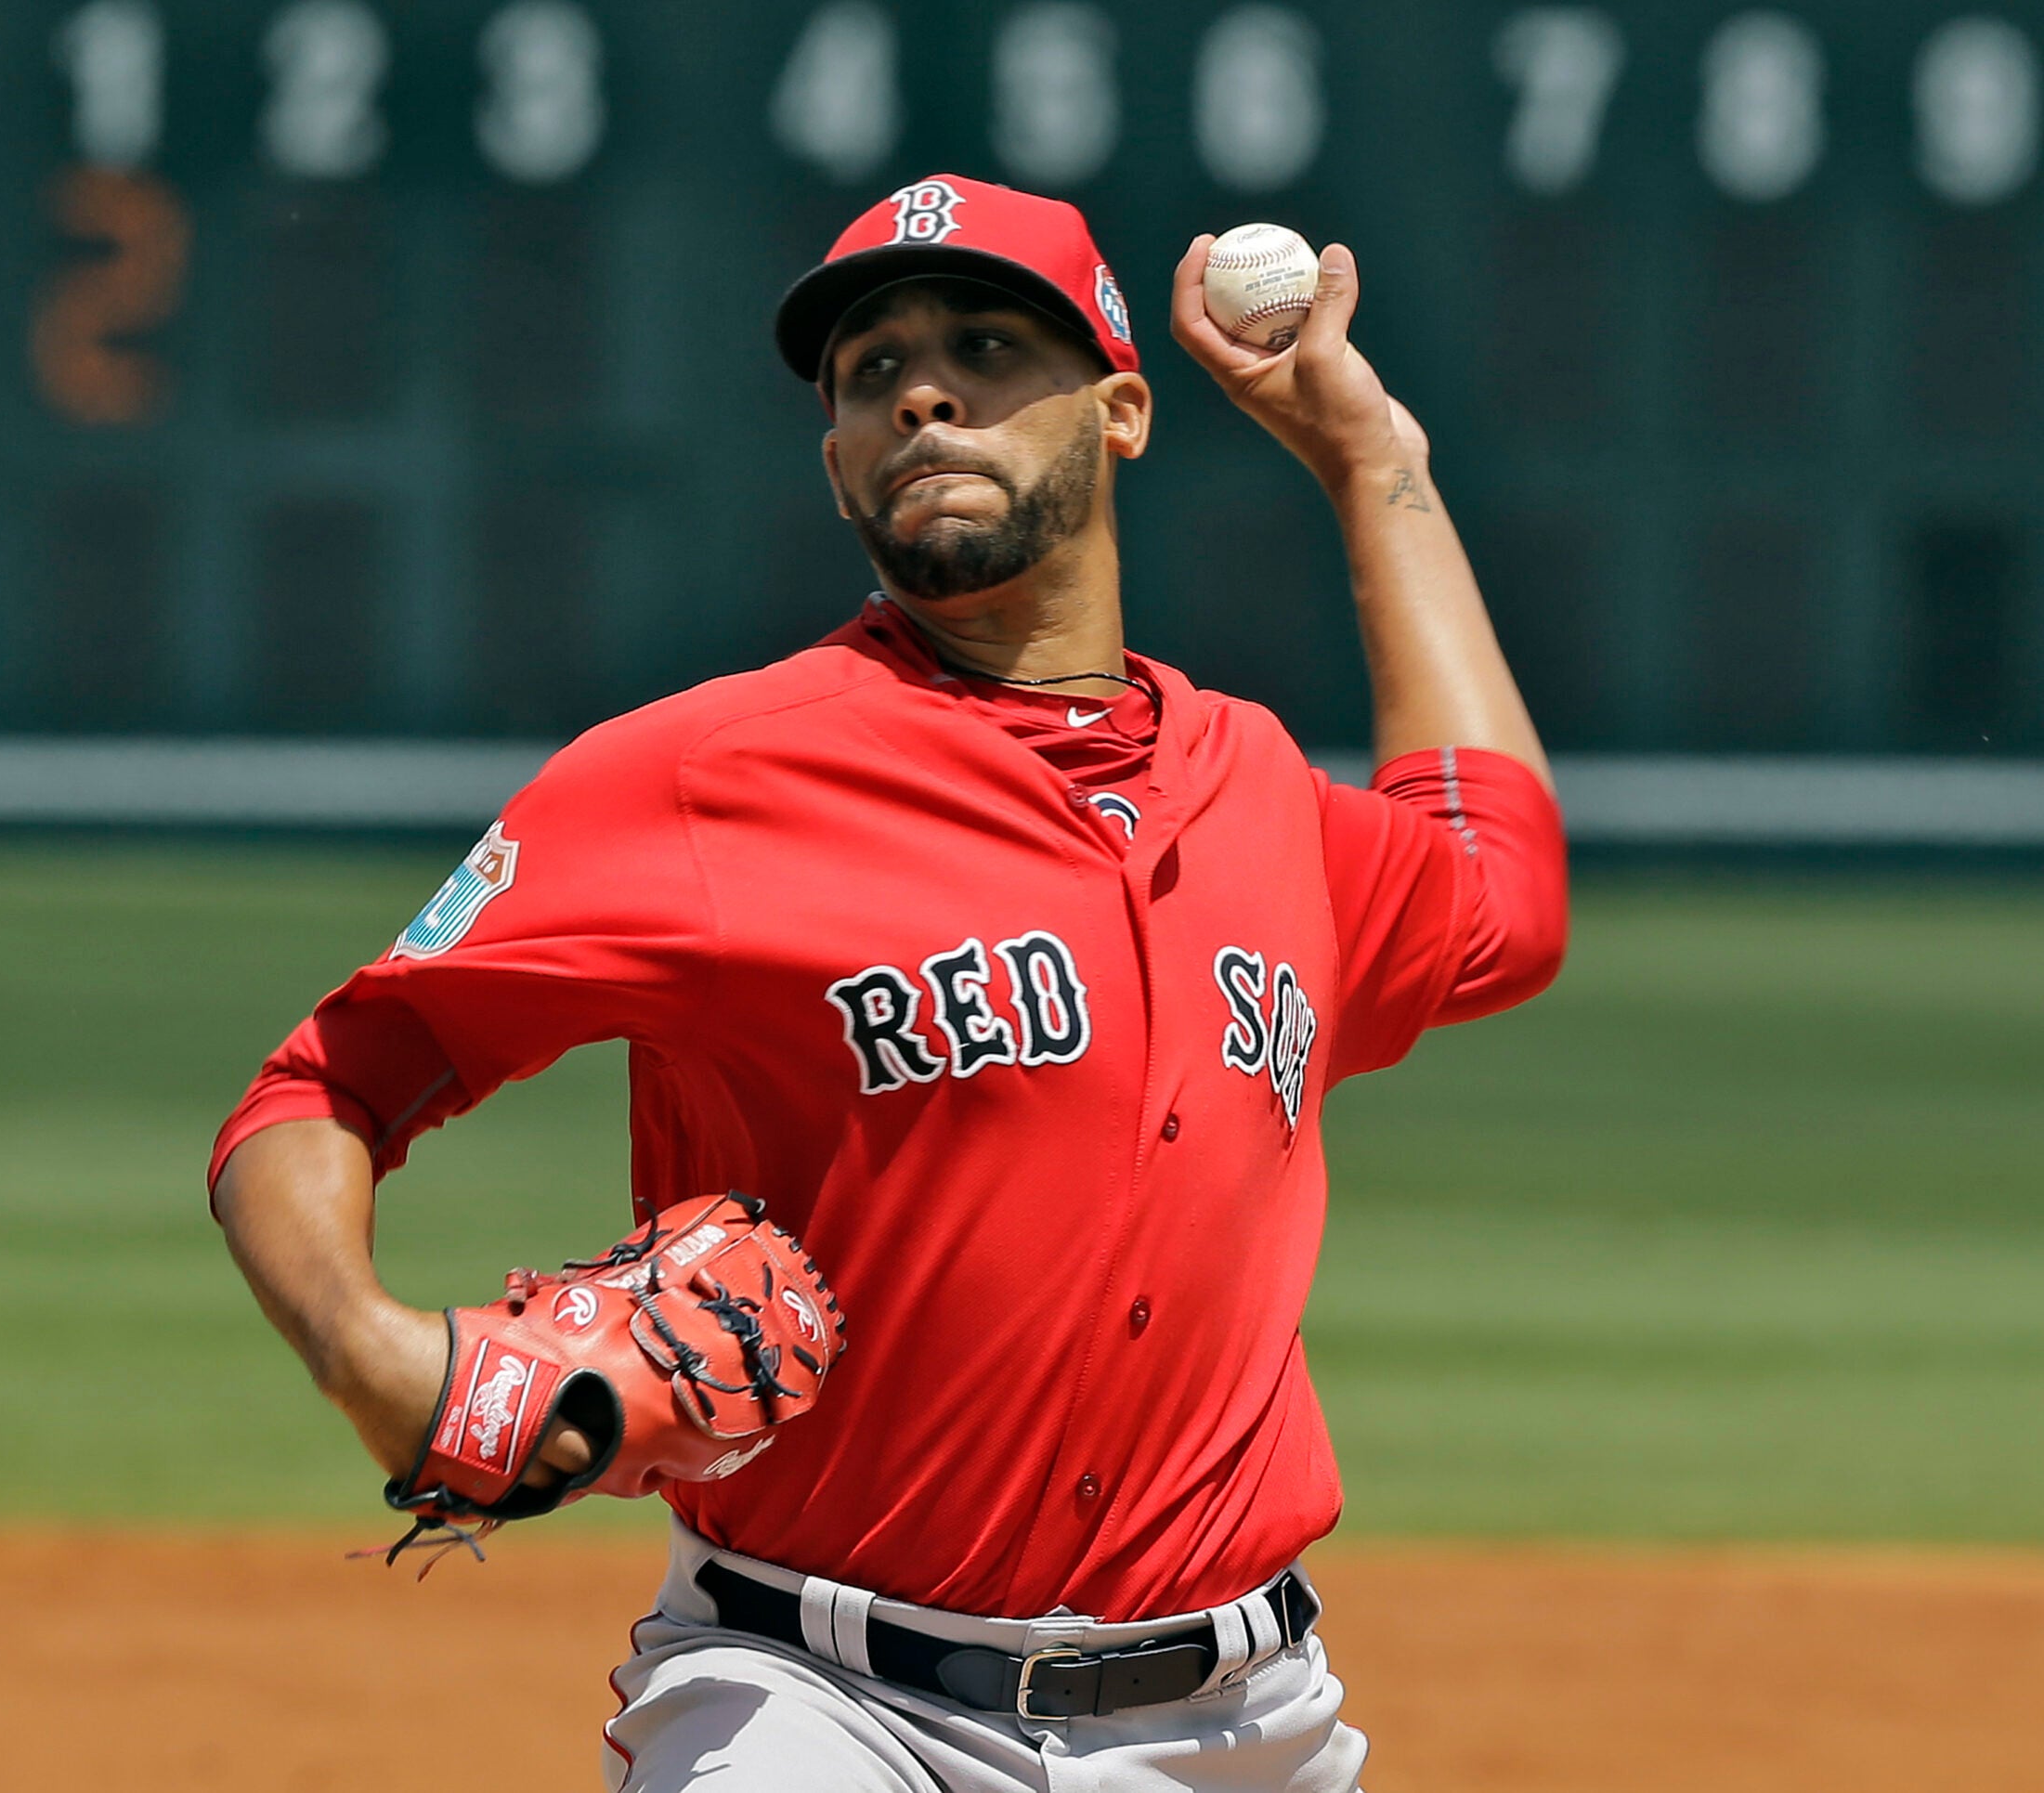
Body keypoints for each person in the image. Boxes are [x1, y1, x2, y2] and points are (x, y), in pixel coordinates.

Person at [209, 175, 1568, 1792]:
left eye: (987, 347)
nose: (923, 393)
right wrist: (371, 1353)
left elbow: (1501, 893)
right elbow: (324, 1085)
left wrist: (1373, 461)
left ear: (1122, 411)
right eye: (871, 376)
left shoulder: (1259, 794)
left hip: (1238, 1728)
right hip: (814, 1701)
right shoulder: (708, 776)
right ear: (839, 458)